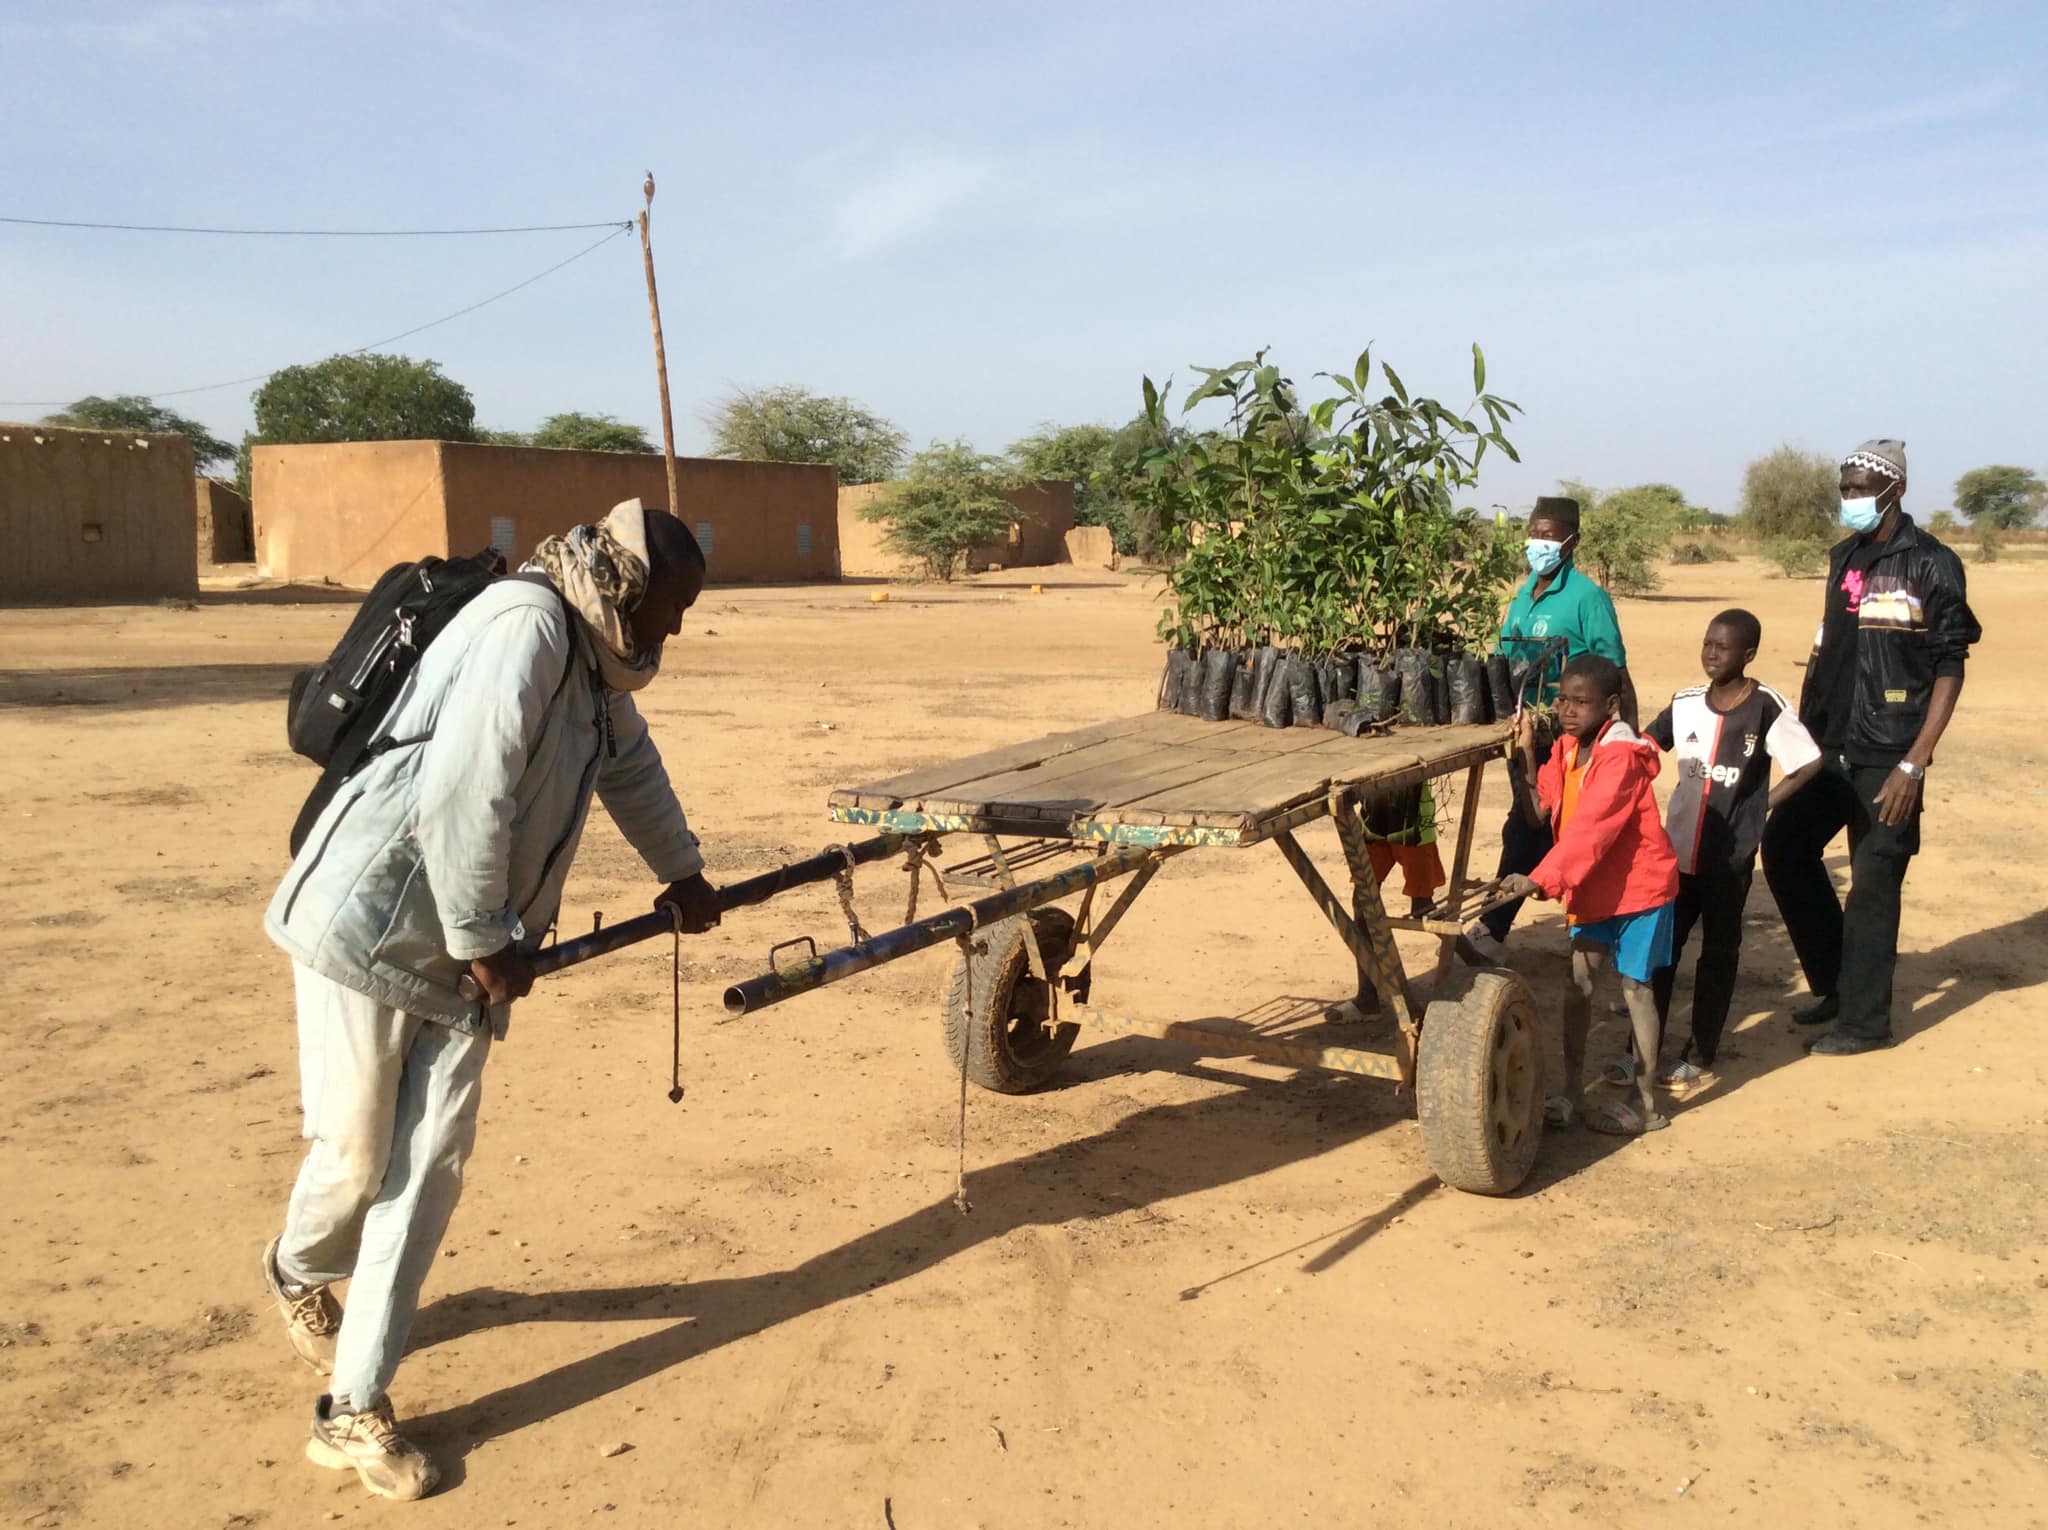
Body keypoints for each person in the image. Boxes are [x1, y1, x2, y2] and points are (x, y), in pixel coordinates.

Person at [258, 500, 723, 1500]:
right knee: (352, 1155)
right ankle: (296, 1273)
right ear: (632, 591)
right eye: (674, 609)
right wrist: (482, 941)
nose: (675, 632)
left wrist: (681, 872)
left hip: (472, 951)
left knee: (425, 1166)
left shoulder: (595, 662)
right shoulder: (528, 626)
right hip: (367, 928)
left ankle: (353, 1408)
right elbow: (465, 792)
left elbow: (630, 768)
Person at [1762, 440, 1980, 1056]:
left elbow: (1949, 664)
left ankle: (1864, 1023)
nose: (1850, 499)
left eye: (1860, 488)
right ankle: (1838, 985)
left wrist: (1916, 759)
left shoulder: (1932, 562)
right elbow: (1831, 645)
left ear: (1896, 490)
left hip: (1889, 749)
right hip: (1830, 743)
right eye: (1846, 488)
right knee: (1784, 848)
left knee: (1875, 879)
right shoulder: (1845, 557)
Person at [1635, 609, 1822, 1091]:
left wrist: (1761, 809)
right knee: (1662, 951)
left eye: (1723, 647)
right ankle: (1642, 1048)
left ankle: (1699, 1051)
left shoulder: (1765, 707)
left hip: (1729, 858)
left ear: (1748, 654)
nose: (1712, 654)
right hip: (1676, 854)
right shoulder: (1685, 703)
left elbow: (1806, 763)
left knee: (1718, 953)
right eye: (1707, 645)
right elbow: (1643, 749)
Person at [1497, 654, 1678, 1136]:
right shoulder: (1566, 750)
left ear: (1612, 705)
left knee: (1637, 991)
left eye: (1581, 702)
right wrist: (1526, 754)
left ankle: (1647, 1105)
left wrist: (1539, 879)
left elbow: (1593, 831)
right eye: (1562, 699)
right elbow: (1539, 812)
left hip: (1640, 889)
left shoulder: (1619, 756)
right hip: (1592, 885)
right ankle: (1572, 1092)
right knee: (1577, 988)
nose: (1567, 710)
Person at [1464, 494, 1638, 964]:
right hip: (1523, 733)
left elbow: (1612, 668)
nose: (1537, 542)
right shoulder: (1523, 595)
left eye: (1548, 534)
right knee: (1529, 823)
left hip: (1567, 733)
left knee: (1545, 826)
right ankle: (1509, 924)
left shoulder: (1586, 597)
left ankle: (1494, 928)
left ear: (1571, 541)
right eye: (1534, 532)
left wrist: (1620, 733)